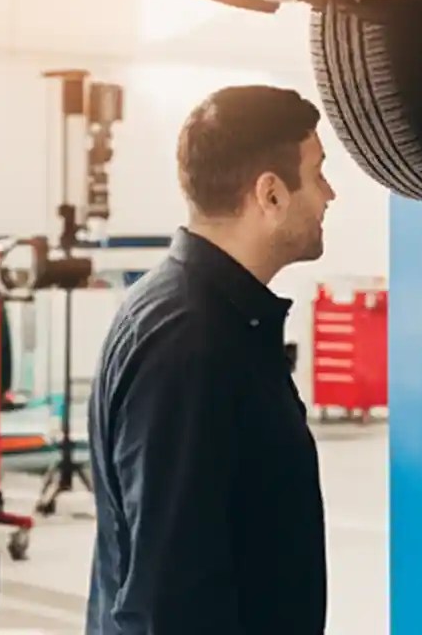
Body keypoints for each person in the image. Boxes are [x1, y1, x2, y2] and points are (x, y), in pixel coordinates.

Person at [86, 85, 337, 634]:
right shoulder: (192, 347)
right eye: (318, 172)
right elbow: (165, 597)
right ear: (270, 195)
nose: (329, 194)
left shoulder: (207, 319)